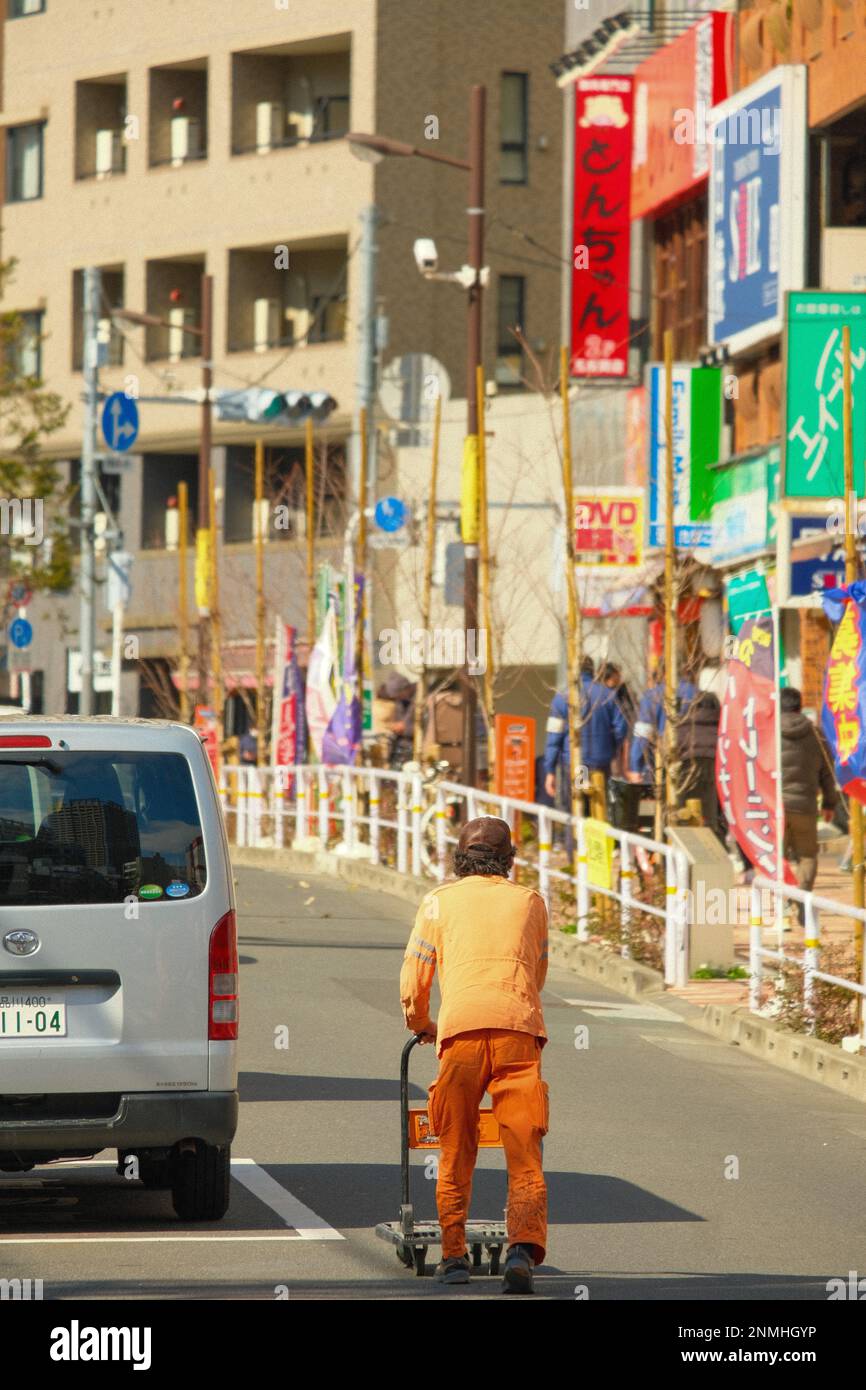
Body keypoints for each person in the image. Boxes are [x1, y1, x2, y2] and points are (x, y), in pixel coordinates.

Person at [399, 816, 549, 1294]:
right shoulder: (530, 902)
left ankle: (454, 1255)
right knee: (523, 1151)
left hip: (460, 1032)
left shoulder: (439, 903)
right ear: (509, 859)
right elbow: (537, 971)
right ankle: (522, 1249)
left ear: (458, 857)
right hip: (518, 1032)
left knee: (455, 1145)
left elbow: (414, 978)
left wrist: (421, 1023)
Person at [543, 657, 628, 845]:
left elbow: (554, 736)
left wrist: (549, 770)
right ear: (594, 671)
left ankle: (577, 854)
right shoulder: (608, 695)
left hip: (575, 763)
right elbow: (621, 728)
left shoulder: (563, 697)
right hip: (601, 762)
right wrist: (611, 748)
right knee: (600, 807)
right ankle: (598, 855)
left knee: (576, 808)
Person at [780, 686, 838, 918]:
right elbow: (827, 771)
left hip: (776, 808)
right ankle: (802, 895)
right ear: (799, 706)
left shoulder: (767, 732)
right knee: (807, 855)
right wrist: (830, 804)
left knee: (777, 857)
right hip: (805, 805)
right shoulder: (816, 733)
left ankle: (783, 905)